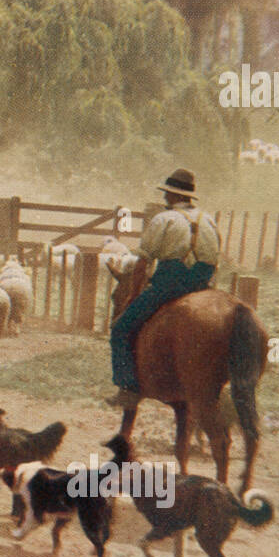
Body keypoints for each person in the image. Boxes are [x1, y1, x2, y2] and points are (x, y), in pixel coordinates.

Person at [106, 168, 221, 408]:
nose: (164, 198)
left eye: (167, 194)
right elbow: (215, 261)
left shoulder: (163, 219)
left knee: (121, 328)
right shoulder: (209, 220)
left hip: (171, 282)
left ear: (172, 195)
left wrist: (134, 296)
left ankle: (127, 388)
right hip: (201, 283)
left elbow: (143, 264)